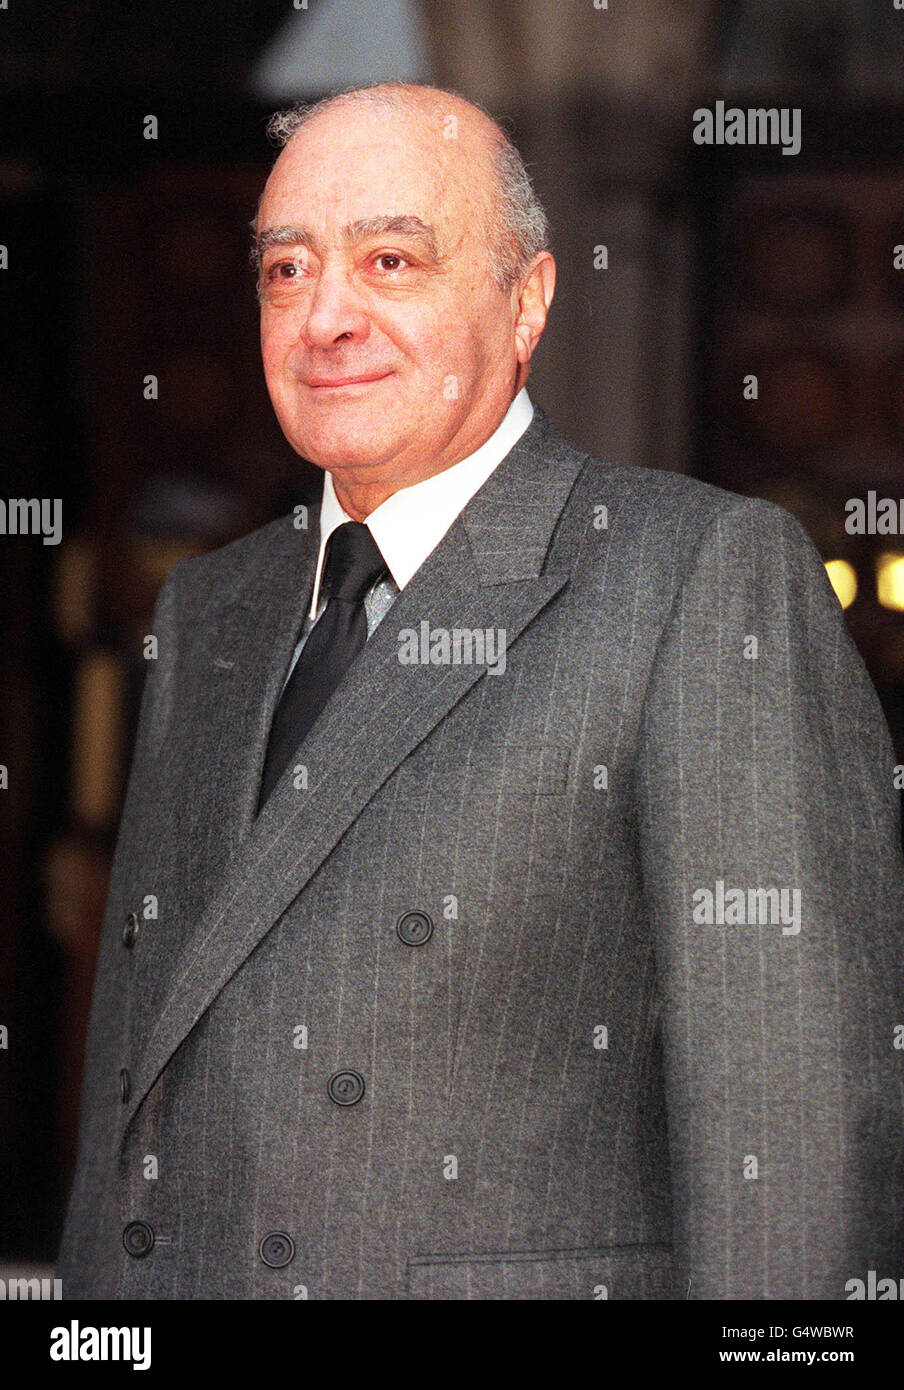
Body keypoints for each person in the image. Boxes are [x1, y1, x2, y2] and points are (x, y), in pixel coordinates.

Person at [57, 82, 904, 1300]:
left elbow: (797, 1141)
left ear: (528, 302)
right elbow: (130, 1105)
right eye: (287, 270)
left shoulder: (694, 579)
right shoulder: (211, 611)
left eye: (389, 259)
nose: (325, 316)